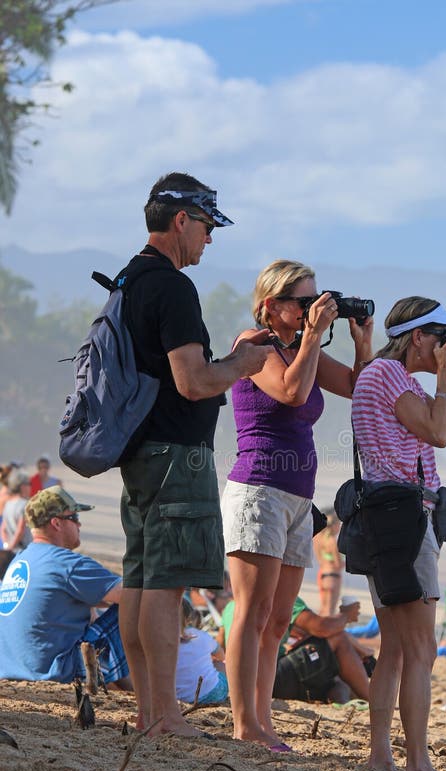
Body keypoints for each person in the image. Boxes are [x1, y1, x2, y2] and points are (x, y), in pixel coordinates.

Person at [115, 172, 272, 738]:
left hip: (139, 450)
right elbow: (192, 381)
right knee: (166, 582)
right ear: (181, 220)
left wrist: (228, 357)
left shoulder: (130, 278)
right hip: (177, 453)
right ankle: (164, 715)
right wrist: (243, 366)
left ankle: (146, 711)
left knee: (138, 578)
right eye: (206, 226)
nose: (210, 239)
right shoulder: (173, 287)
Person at [221, 259, 373, 747]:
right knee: (253, 609)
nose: (313, 310)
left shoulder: (297, 346)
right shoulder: (254, 344)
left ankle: (262, 721)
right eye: (304, 302)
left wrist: (361, 340)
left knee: (279, 619)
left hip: (297, 498)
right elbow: (291, 391)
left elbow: (357, 387)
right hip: (258, 490)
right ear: (272, 306)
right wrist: (312, 336)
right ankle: (245, 723)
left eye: (316, 300)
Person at [352, 295, 446, 771]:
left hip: (393, 518)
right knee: (422, 649)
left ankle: (381, 756)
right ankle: (417, 762)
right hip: (403, 519)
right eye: (443, 338)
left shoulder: (395, 378)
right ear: (418, 338)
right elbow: (434, 431)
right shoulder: (386, 374)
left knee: (396, 646)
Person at [0, 486, 130, 689]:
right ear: (57, 523)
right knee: (139, 603)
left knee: (91, 609)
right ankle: (150, 694)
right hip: (55, 672)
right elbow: (130, 594)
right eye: (74, 516)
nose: (79, 524)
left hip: (13, 672)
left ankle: (128, 688)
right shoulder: (64, 562)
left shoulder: (20, 560)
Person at [220, 595, 370, 715]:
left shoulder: (231, 605)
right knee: (338, 639)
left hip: (245, 683)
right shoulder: (279, 594)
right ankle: (370, 697)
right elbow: (324, 628)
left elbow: (219, 646)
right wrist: (346, 614)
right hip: (271, 678)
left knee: (334, 679)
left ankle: (343, 699)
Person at [175, 597, 228, 706]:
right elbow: (221, 655)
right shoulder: (201, 635)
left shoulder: (163, 639)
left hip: (178, 696)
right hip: (212, 695)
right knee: (220, 664)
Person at [313, 509, 344, 616]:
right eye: (339, 525)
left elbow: (319, 559)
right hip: (333, 576)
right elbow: (337, 564)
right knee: (330, 611)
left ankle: (318, 632)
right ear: (334, 525)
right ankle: (324, 632)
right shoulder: (331, 542)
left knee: (323, 608)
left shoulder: (318, 538)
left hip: (322, 574)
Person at [0, 470, 32, 553]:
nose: (30, 487)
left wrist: (7, 545)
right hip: (23, 550)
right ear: (22, 486)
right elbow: (20, 530)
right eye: (29, 484)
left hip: (11, 550)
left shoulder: (8, 504)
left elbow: (3, 529)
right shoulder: (25, 504)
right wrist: (11, 547)